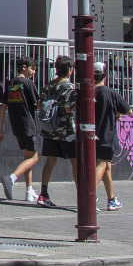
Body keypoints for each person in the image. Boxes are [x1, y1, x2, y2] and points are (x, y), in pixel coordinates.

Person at [34, 55, 77, 207]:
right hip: (66, 131)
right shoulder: (71, 88)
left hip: (49, 131)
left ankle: (43, 194)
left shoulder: (49, 85)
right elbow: (68, 108)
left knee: (50, 161)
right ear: (70, 70)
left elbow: (39, 105)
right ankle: (82, 197)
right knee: (75, 163)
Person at [0, 60, 41, 202]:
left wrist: (0, 129)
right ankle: (12, 178)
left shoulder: (10, 84)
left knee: (27, 158)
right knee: (34, 158)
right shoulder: (28, 84)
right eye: (32, 69)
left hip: (16, 125)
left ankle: (29, 191)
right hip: (28, 124)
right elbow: (38, 105)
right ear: (24, 67)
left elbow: (3, 106)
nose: (34, 72)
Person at [93, 62, 133, 210]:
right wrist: (117, 111)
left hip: (90, 136)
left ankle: (111, 199)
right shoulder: (110, 92)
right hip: (106, 135)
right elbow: (128, 111)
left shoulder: (87, 91)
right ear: (105, 75)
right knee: (102, 164)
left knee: (106, 166)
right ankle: (90, 198)